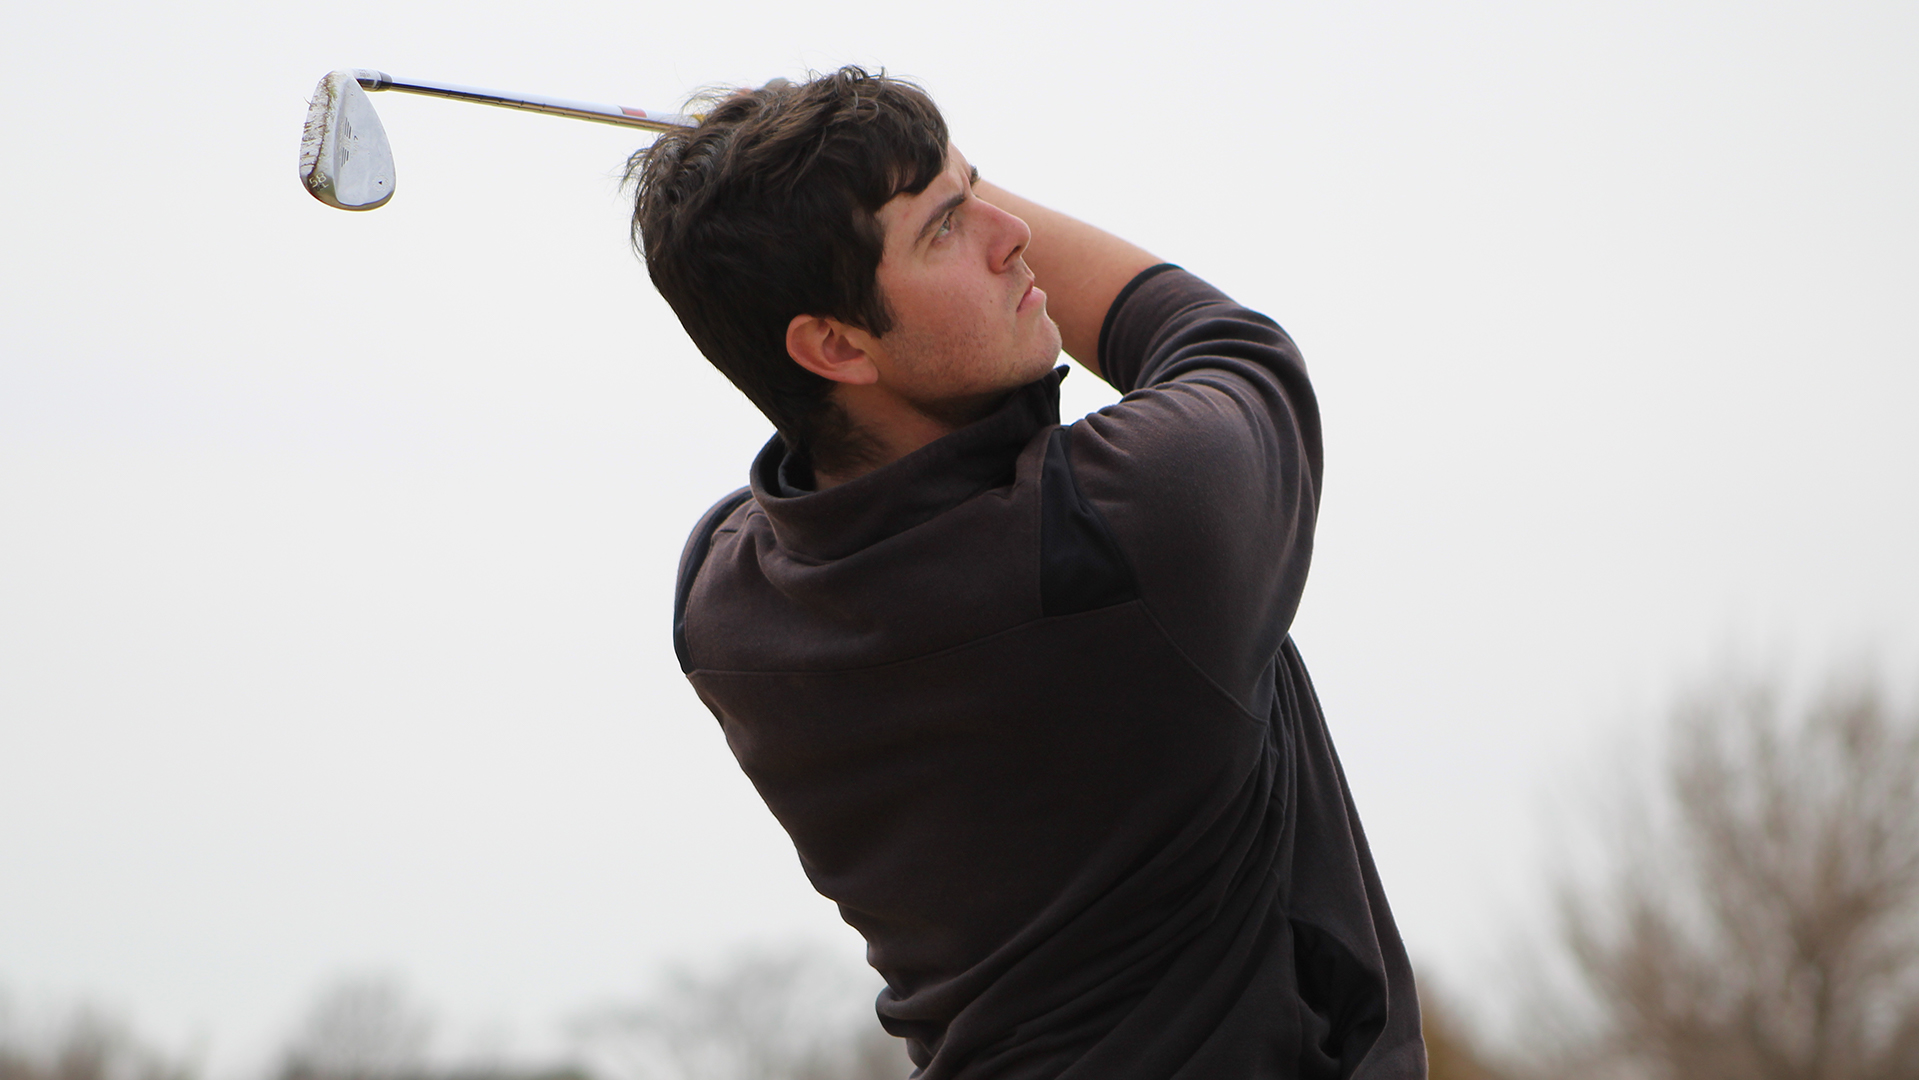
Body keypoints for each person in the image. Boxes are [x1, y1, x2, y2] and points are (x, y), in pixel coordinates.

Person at [629, 67, 1425, 1080]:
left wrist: (812, 183)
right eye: (945, 226)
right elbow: (1214, 339)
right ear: (832, 343)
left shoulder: (723, 610)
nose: (1011, 233)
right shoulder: (1131, 525)